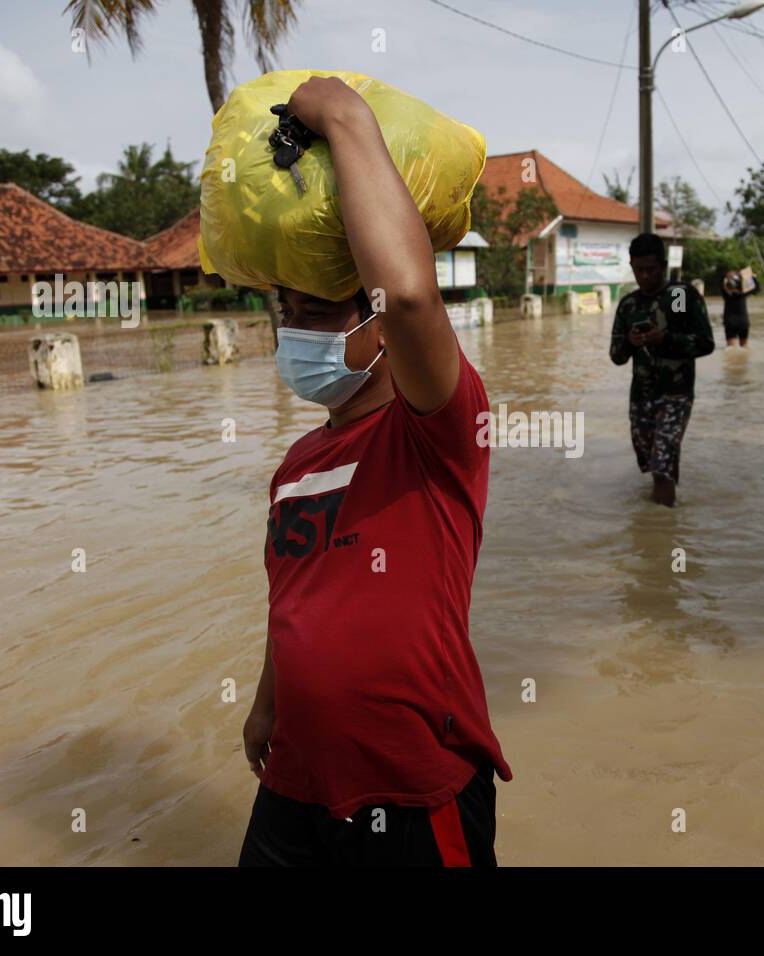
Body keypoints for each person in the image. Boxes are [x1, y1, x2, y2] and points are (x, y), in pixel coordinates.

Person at [238, 75, 511, 867]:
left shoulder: (437, 434)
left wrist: (346, 119)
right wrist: (265, 706)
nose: (294, 331)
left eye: (318, 313)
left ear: (376, 324)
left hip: (411, 788)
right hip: (292, 778)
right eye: (287, 311)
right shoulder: (296, 465)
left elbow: (417, 300)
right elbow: (293, 599)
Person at [610, 233, 715, 507]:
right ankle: (658, 515)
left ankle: (662, 533)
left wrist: (665, 339)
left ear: (664, 265)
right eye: (638, 270)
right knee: (648, 461)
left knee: (662, 465)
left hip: (676, 395)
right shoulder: (629, 305)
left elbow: (705, 344)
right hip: (641, 398)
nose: (644, 276)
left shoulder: (680, 296)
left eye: (651, 269)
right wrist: (630, 343)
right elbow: (616, 357)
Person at [721, 266, 761, 348]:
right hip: (743, 321)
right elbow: (757, 289)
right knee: (744, 345)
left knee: (731, 347)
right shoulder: (744, 293)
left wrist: (727, 276)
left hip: (730, 321)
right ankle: (745, 361)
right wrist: (751, 277)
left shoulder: (726, 293)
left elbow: (723, 283)